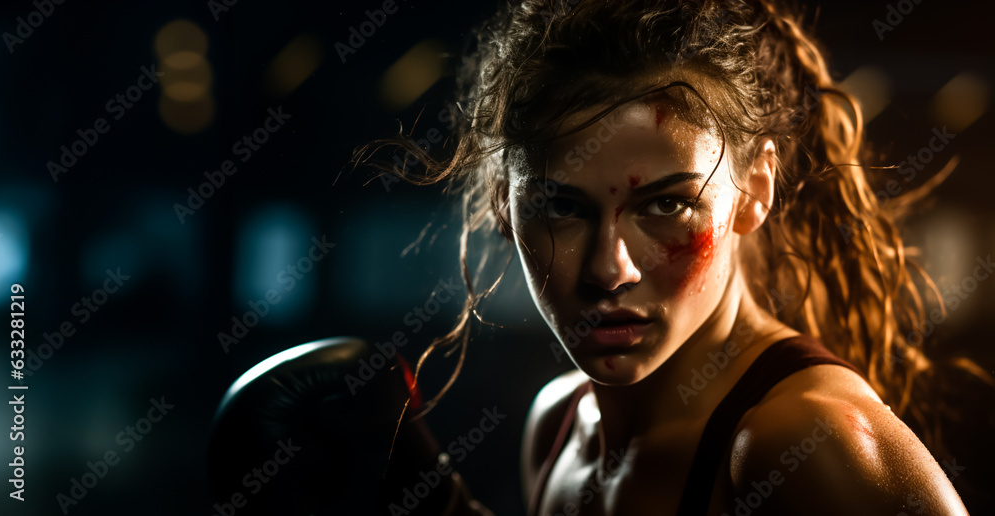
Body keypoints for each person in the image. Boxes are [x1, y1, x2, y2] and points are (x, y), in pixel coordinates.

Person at [357, 0, 987, 514]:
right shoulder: (557, 425)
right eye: (563, 207)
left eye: (667, 206)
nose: (609, 271)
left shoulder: (808, 442)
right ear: (503, 205)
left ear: (756, 191)